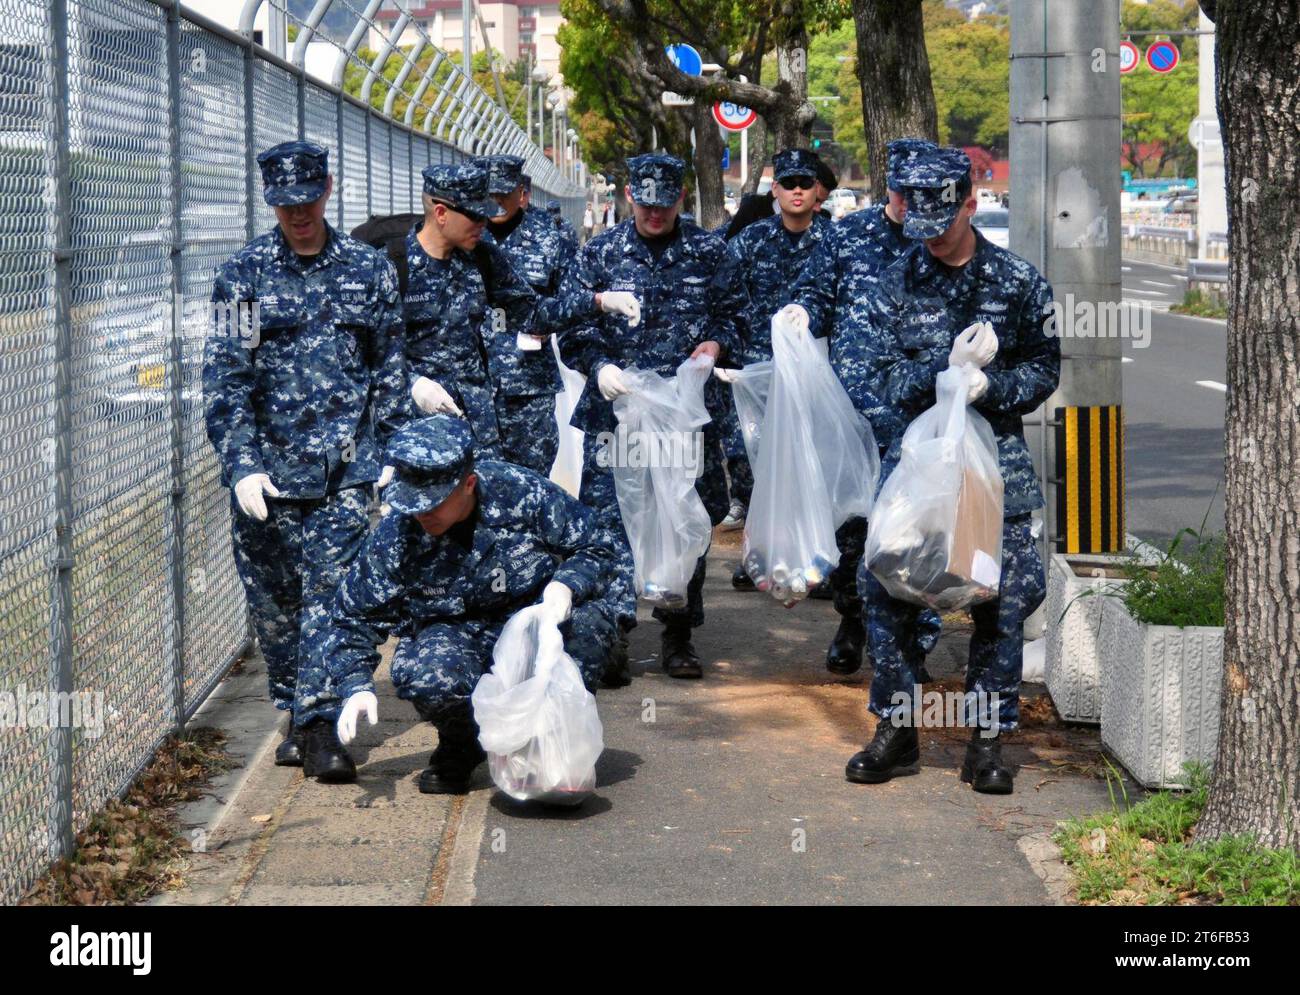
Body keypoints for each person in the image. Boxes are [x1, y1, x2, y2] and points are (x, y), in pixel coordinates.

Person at [840, 145, 1059, 794]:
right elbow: (863, 375)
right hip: (912, 465)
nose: (931, 237)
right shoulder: (888, 282)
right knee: (887, 593)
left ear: (971, 201)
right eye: (918, 221)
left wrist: (985, 388)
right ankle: (898, 729)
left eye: (945, 220)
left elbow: (1044, 367)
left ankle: (989, 741)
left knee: (1003, 601)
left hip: (997, 472)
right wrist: (940, 376)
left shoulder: (1018, 282)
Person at [203, 140, 408, 783]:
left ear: (327, 191)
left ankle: (322, 727)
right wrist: (241, 465)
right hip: (269, 474)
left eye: (308, 198)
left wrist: (396, 455)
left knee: (332, 595)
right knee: (275, 606)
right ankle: (295, 710)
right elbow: (225, 376)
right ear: (272, 201)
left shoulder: (370, 271)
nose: (298, 213)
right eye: (285, 202)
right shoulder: (243, 276)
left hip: (344, 473)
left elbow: (389, 370)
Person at [315, 415, 618, 794]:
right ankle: (464, 741)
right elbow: (353, 617)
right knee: (429, 674)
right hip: (457, 633)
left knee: (590, 626)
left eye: (433, 503)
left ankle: (550, 735)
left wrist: (566, 586)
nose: (421, 514)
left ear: (469, 484)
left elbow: (598, 545)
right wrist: (356, 685)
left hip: (534, 622)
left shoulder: (519, 491)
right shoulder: (397, 536)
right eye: (412, 503)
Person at [560, 152, 748, 680]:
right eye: (645, 204)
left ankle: (678, 631)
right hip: (616, 411)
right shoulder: (600, 252)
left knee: (684, 514)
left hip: (684, 412)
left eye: (664, 205)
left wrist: (715, 344)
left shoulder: (710, 253)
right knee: (609, 518)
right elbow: (574, 325)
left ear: (681, 199)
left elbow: (737, 317)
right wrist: (597, 366)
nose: (654, 215)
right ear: (628, 194)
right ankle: (614, 630)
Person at [786, 138, 944, 677]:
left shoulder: (943, 240)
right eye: (902, 193)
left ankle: (910, 649)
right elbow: (816, 294)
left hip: (923, 412)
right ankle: (853, 620)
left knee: (917, 531)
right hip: (854, 413)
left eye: (921, 194)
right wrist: (800, 316)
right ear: (888, 188)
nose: (910, 204)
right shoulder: (847, 236)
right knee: (856, 531)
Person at [403, 161, 636, 473]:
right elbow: (367, 355)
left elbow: (533, 313)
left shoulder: (483, 258)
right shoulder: (393, 268)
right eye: (474, 215)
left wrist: (597, 301)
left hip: (483, 427)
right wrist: (413, 384)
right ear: (442, 214)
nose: (484, 222)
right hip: (424, 430)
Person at [715, 148, 833, 589]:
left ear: (817, 190)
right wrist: (727, 357)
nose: (798, 191)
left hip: (815, 373)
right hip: (757, 371)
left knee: (813, 465)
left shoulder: (835, 241)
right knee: (756, 466)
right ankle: (760, 556)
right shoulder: (751, 240)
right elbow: (725, 299)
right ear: (776, 190)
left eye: (806, 184)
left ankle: (817, 560)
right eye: (790, 184)